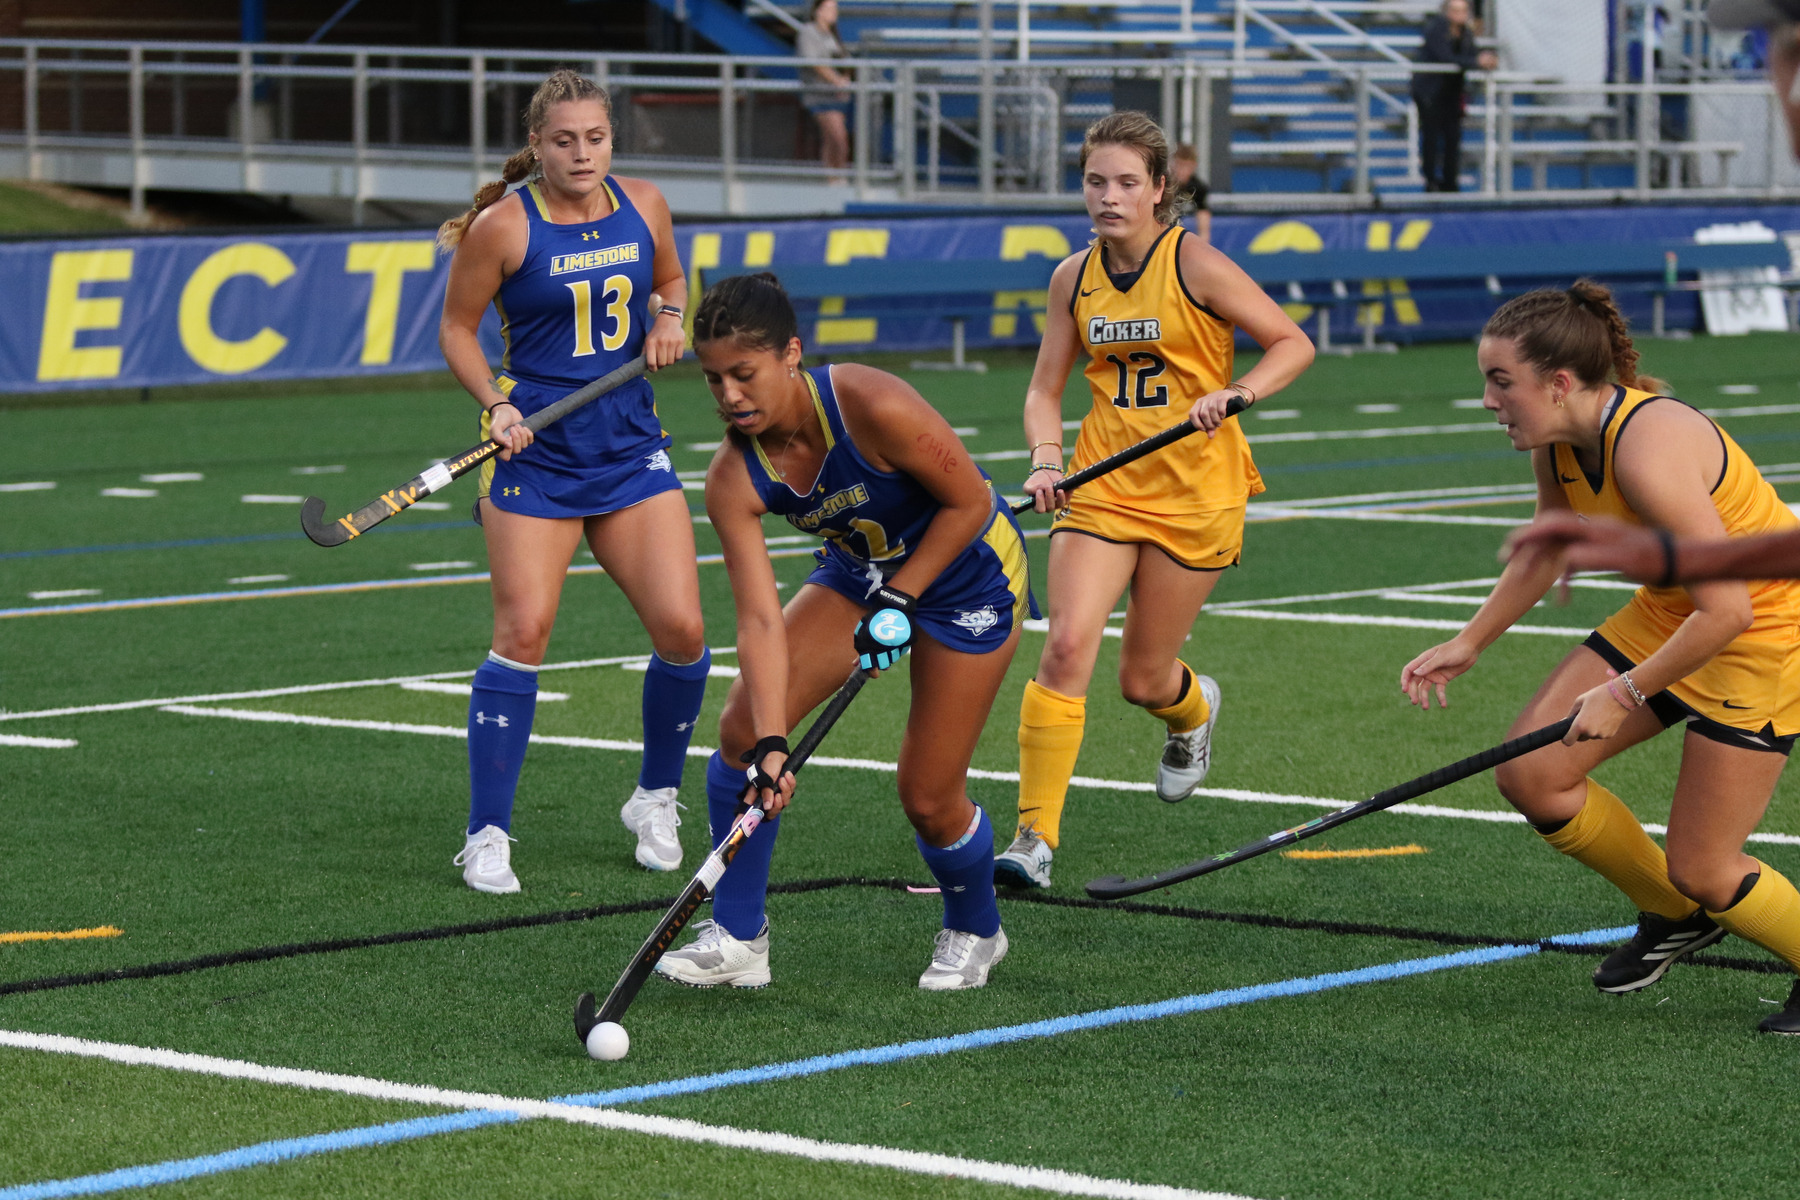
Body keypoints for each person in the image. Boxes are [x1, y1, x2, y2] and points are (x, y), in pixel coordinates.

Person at [1400, 281, 1800, 1033]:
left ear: (1558, 383)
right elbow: (1550, 542)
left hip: (1763, 634)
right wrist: (1469, 641)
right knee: (1532, 776)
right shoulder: (1561, 441)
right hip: (1667, 613)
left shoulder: (1650, 449)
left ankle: (1708, 904)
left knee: (1708, 866)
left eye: (1499, 381)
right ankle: (1674, 915)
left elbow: (1730, 610)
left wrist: (1622, 693)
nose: (1488, 400)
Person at [654, 272, 1035, 991]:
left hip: (969, 571)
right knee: (740, 733)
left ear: (791, 354)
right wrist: (772, 744)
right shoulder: (733, 477)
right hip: (862, 572)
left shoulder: (868, 401)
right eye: (713, 381)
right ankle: (739, 940)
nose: (730, 396)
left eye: (744, 374)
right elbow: (761, 619)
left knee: (927, 796)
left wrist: (903, 596)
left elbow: (967, 502)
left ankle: (977, 929)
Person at [993, 111, 1315, 890]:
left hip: (1198, 492)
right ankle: (1034, 839)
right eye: (1095, 182)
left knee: (1143, 678)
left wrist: (1237, 392)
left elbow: (1293, 343)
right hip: (1102, 486)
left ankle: (1192, 711)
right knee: (1066, 644)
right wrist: (1045, 459)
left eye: (1127, 183)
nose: (1108, 197)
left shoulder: (1196, 264)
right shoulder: (1072, 276)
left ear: (1160, 189)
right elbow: (1045, 387)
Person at [436, 69, 709, 894]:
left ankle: (655, 799)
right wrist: (495, 405)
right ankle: (487, 834)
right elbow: (457, 328)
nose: (581, 153)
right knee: (524, 633)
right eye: (564, 140)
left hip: (628, 445)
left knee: (684, 632)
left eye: (594, 138)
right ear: (537, 145)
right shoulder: (504, 227)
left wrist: (669, 316)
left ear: (611, 139)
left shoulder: (647, 205)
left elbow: (669, 281)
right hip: (537, 453)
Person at [1410, 0, 1497, 192]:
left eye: (1463, 11)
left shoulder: (1465, 33)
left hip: (1451, 94)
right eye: (1456, 11)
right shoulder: (1436, 29)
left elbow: (1470, 54)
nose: (1460, 15)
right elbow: (1447, 57)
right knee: (1431, 137)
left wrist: (1485, 59)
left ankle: (1451, 181)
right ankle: (1431, 180)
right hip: (1431, 93)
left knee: (1453, 138)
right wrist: (1476, 61)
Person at [796, 0, 853, 185]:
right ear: (818, 11)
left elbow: (843, 62)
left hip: (835, 94)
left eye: (835, 8)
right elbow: (815, 63)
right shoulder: (808, 32)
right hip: (819, 94)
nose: (833, 12)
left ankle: (836, 176)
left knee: (834, 138)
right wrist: (836, 81)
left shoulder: (833, 35)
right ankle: (835, 176)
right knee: (837, 136)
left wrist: (844, 80)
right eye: (829, 7)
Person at [1170, 143, 1211, 243]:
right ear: (1173, 164)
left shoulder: (1197, 188)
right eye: (1180, 165)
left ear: (1194, 166)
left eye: (1187, 166)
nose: (1182, 171)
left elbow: (1203, 217)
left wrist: (1202, 244)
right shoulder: (1163, 184)